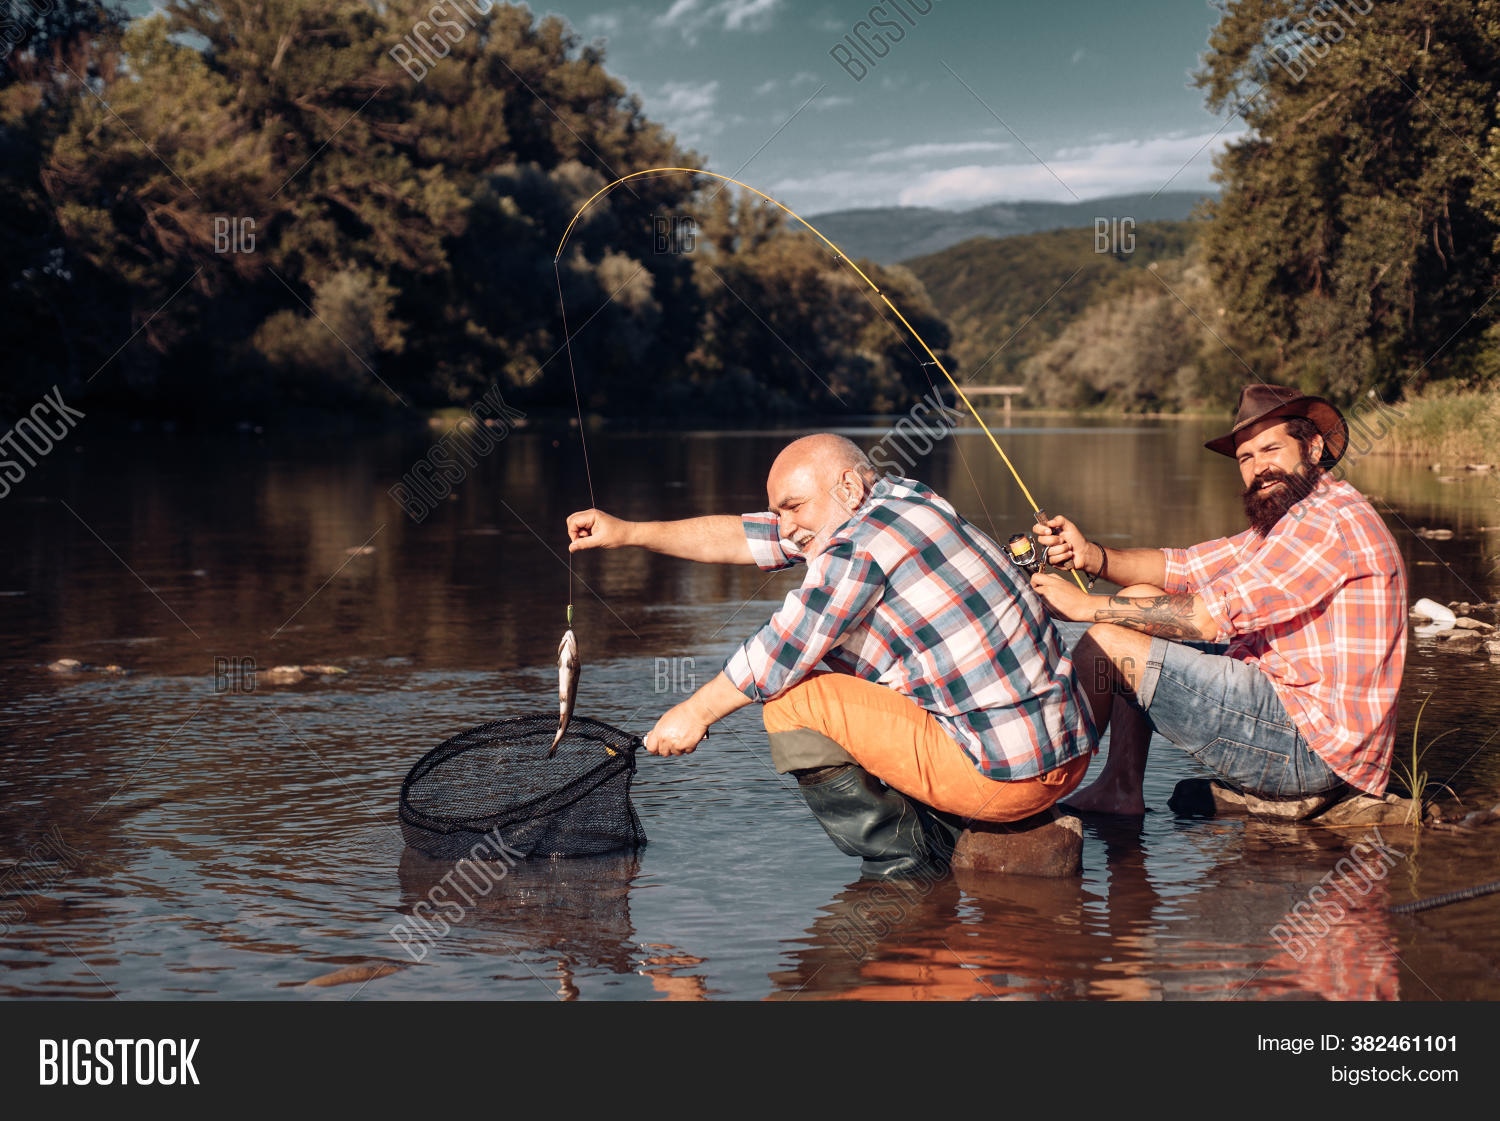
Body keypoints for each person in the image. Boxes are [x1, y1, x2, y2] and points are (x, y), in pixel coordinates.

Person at [567, 433, 1098, 878]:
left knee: (790, 702)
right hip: (1068, 749)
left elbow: (778, 653)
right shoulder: (905, 498)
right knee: (836, 667)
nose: (785, 525)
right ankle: (948, 828)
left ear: (846, 487)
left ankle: (910, 861)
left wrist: (694, 712)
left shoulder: (856, 550)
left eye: (793, 506)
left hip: (1007, 778)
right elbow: (745, 537)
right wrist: (628, 533)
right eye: (779, 511)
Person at [1029, 385, 1408, 815]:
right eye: (1246, 458)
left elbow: (1207, 618)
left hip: (1314, 751)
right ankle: (1119, 789)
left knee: (1107, 644)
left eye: (1271, 449)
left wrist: (1083, 607)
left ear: (1314, 448)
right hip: (1290, 716)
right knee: (1137, 603)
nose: (1259, 468)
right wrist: (1091, 556)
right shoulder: (1293, 518)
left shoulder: (1325, 521)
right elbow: (1185, 568)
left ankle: (1033, 798)